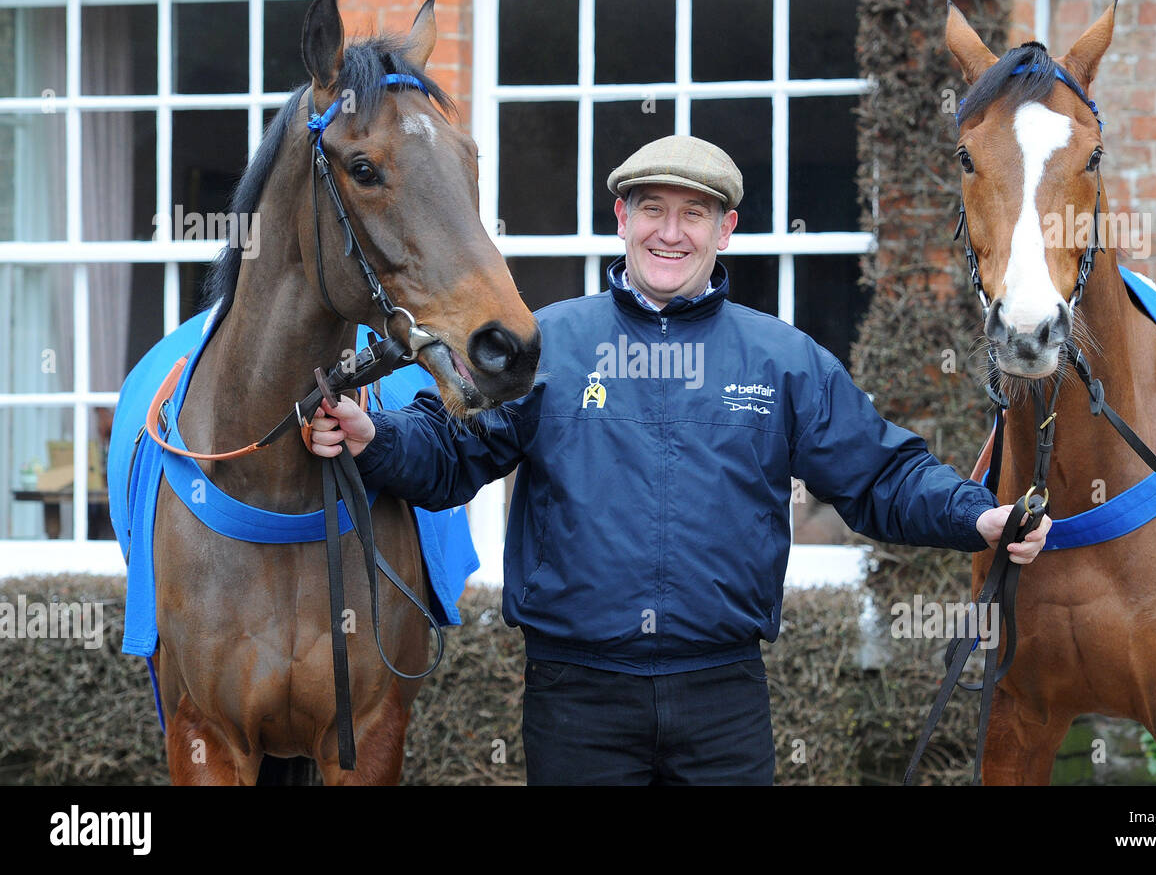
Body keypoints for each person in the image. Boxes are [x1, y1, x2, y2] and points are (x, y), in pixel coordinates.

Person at [309, 134, 1051, 785]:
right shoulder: (547, 344)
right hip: (577, 699)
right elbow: (448, 449)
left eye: (693, 213)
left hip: (722, 698)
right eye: (652, 209)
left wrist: (976, 513)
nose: (671, 232)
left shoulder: (781, 360)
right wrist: (377, 438)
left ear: (725, 229)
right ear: (622, 219)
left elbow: (879, 475)